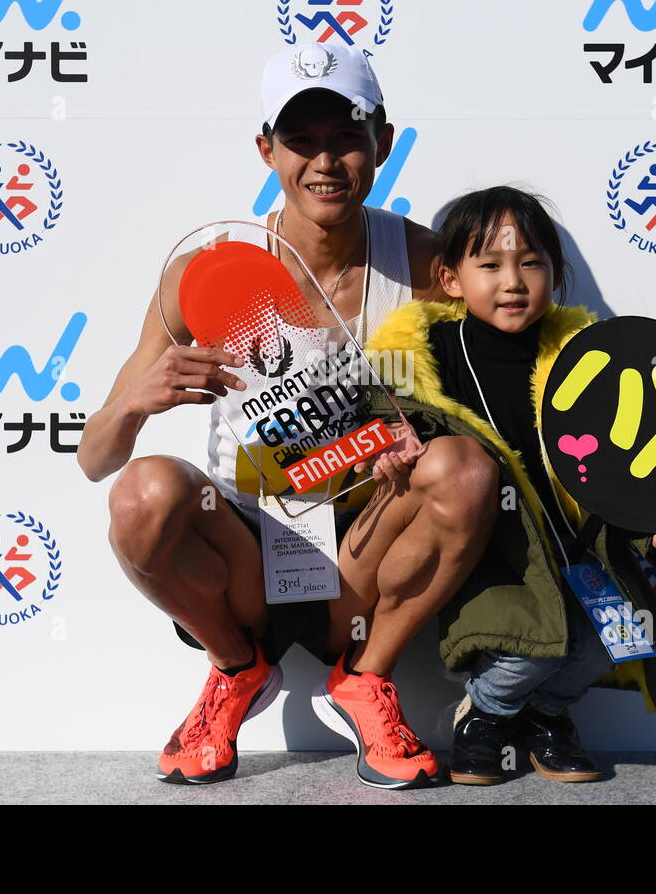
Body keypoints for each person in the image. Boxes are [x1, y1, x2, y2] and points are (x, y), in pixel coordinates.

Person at [76, 41, 501, 789]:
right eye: (300, 140)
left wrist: (423, 431)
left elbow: (497, 393)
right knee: (141, 495)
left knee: (465, 471)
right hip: (244, 557)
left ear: (383, 142)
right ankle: (235, 668)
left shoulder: (425, 264)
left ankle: (365, 678)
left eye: (346, 138)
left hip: (363, 551)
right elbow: (94, 459)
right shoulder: (206, 270)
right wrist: (139, 400)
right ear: (266, 150)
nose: (325, 162)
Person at [361, 186, 656, 786]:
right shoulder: (421, 358)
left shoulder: (590, 361)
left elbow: (626, 470)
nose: (513, 282)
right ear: (450, 279)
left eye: (530, 263)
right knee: (528, 641)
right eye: (490, 265)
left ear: (555, 273)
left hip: (579, 553)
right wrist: (388, 451)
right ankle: (486, 715)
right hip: (494, 556)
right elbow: (384, 426)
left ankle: (547, 714)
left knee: (617, 639)